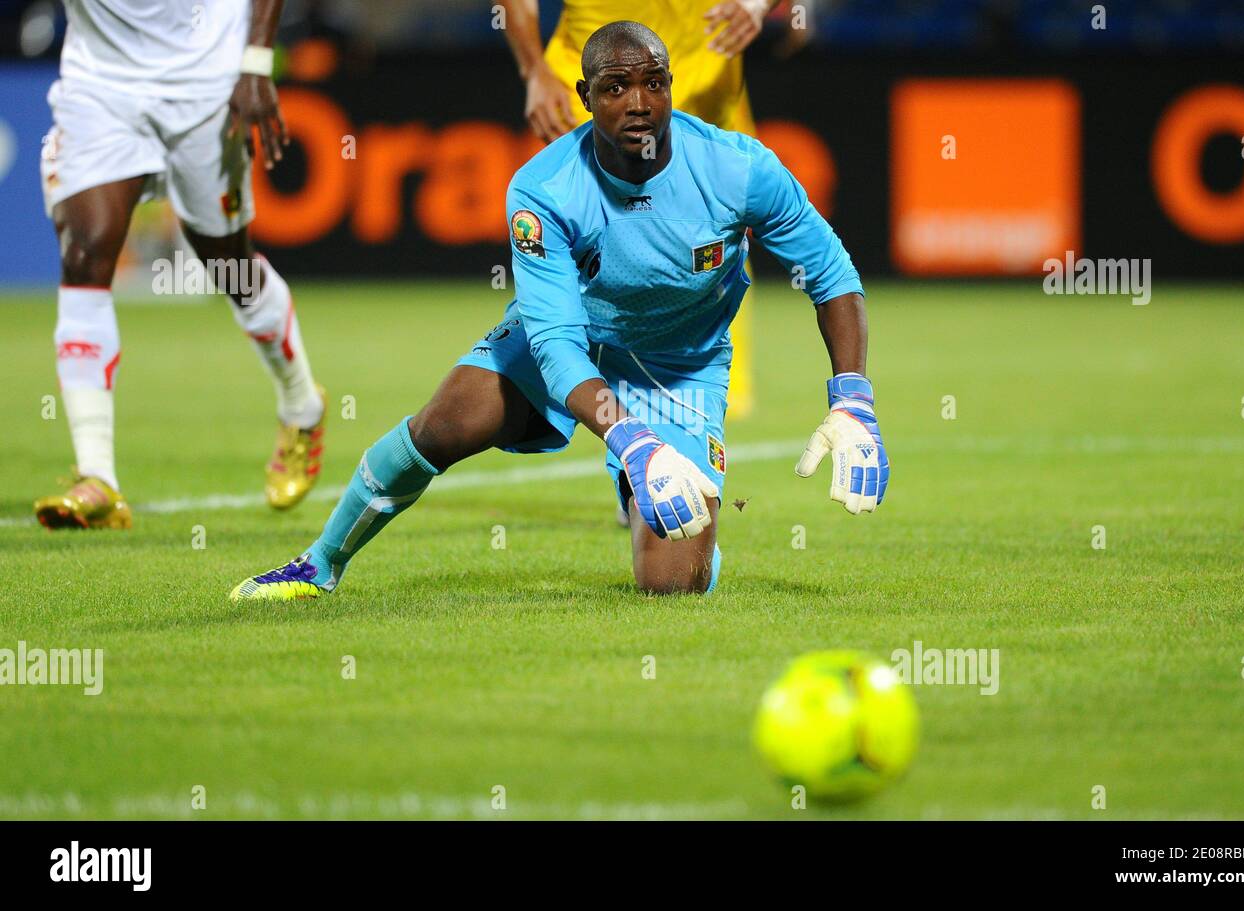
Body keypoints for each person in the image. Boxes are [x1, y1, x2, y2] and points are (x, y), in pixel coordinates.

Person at [229, 20, 886, 600]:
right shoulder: (543, 190)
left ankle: (685, 524)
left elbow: (830, 272)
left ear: (671, 87)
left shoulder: (737, 168)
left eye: (653, 83)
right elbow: (554, 343)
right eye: (615, 87)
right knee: (444, 423)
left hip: (679, 368)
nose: (638, 102)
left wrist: (852, 398)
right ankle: (318, 564)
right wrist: (631, 438)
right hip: (576, 340)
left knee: (672, 584)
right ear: (585, 97)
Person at [34, 0, 325, 530]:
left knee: (230, 269)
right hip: (101, 86)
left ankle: (301, 404)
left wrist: (256, 64)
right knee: (85, 254)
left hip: (206, 81)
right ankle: (97, 478)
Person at [502, 0, 784, 426]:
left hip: (709, 74)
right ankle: (559, 377)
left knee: (721, 235)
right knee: (582, 239)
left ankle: (697, 386)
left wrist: (758, 6)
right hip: (599, 86)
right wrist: (533, 71)